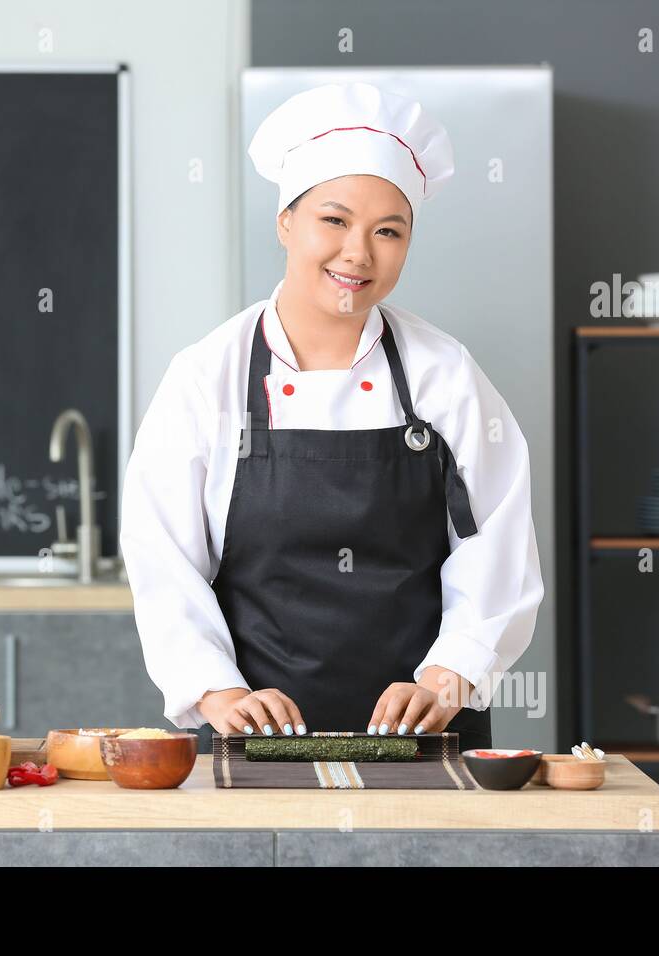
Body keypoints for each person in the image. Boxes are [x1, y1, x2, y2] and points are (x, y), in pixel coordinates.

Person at [119, 82, 543, 751]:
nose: (358, 254)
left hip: (423, 735)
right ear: (286, 221)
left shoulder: (445, 374)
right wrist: (217, 688)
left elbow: (497, 546)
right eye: (335, 220)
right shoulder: (209, 376)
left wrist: (448, 676)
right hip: (253, 732)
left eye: (388, 231)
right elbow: (163, 557)